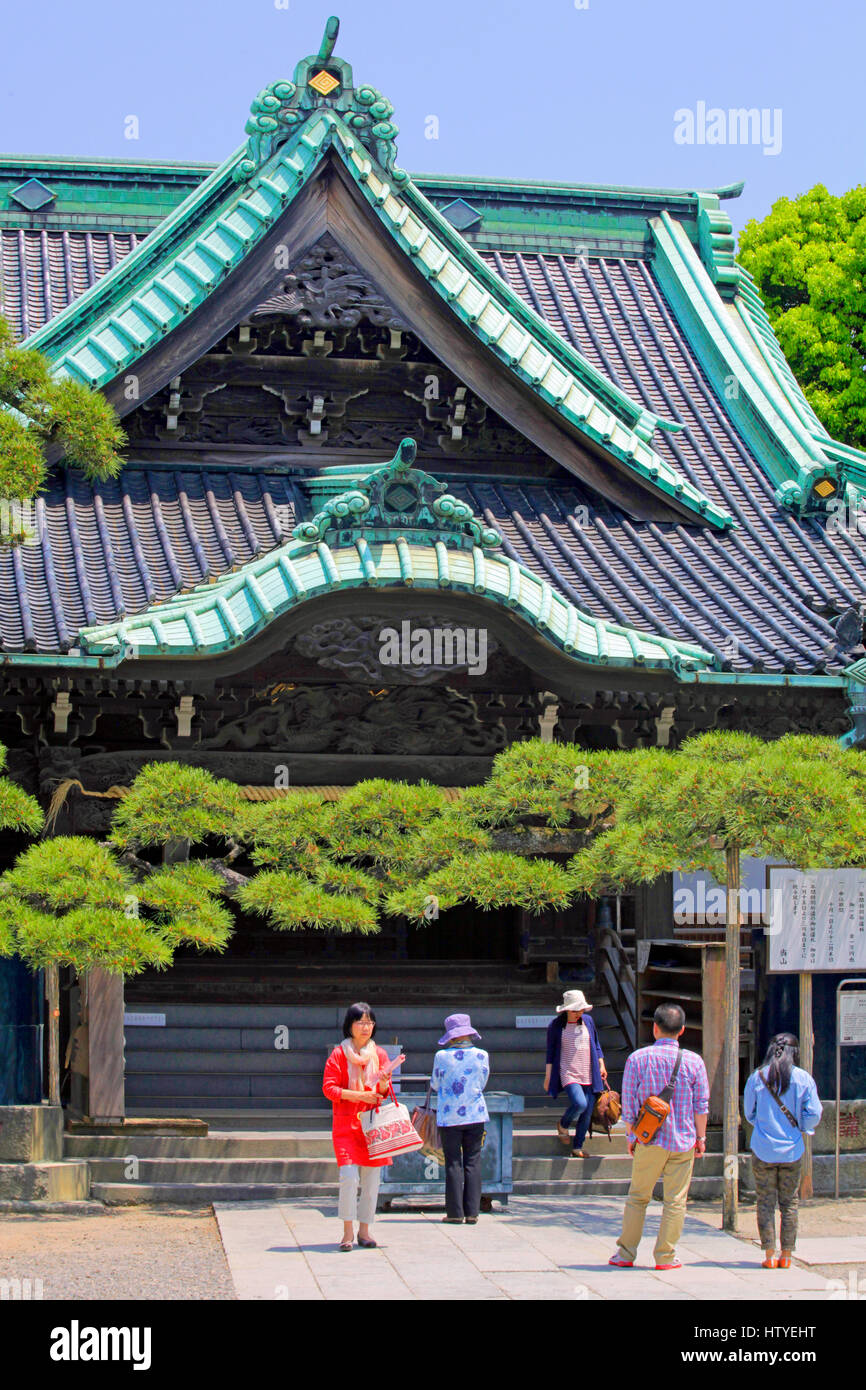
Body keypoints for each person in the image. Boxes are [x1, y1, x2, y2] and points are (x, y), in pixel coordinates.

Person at [609, 1002, 709, 1270]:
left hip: (649, 1139)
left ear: (654, 1028)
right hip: (683, 1140)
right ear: (683, 1030)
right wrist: (701, 1138)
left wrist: (632, 1137)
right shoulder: (694, 1062)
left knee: (638, 1197)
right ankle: (665, 1256)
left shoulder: (637, 1059)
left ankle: (626, 1253)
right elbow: (701, 1106)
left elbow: (629, 1106)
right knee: (676, 1201)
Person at [322, 1002, 397, 1252]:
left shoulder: (381, 1055)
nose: (365, 1027)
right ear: (350, 1025)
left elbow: (382, 1094)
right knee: (348, 1177)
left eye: (369, 1022)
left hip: (372, 1127)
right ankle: (347, 1231)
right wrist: (358, 1096)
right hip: (346, 1125)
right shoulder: (338, 1054)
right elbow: (329, 1088)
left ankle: (365, 1230)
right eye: (360, 1022)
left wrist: (384, 1084)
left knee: (372, 1180)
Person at [744, 1032, 822, 1269]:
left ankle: (769, 1253)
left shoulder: (756, 1078)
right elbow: (814, 1114)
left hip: (763, 1149)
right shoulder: (803, 1079)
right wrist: (802, 1128)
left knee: (765, 1201)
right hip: (792, 1151)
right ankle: (786, 1255)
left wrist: (764, 1125)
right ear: (795, 1052)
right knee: (789, 1203)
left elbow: (749, 1113)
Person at [431, 1013, 490, 1225]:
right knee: (473, 1161)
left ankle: (455, 1212)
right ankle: (472, 1212)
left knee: (453, 1163)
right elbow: (482, 1083)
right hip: (475, 1113)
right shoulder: (482, 1055)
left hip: (449, 1115)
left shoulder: (441, 1057)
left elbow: (435, 1084)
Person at [544, 989, 607, 1157]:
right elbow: (550, 1053)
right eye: (574, 1010)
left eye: (581, 1010)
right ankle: (563, 1124)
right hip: (568, 1071)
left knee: (587, 1113)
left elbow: (596, 1043)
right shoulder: (556, 1025)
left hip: (589, 1070)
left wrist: (601, 1063)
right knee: (580, 1103)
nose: (578, 1013)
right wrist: (548, 1076)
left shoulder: (588, 1021)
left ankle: (577, 1146)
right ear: (566, 1010)